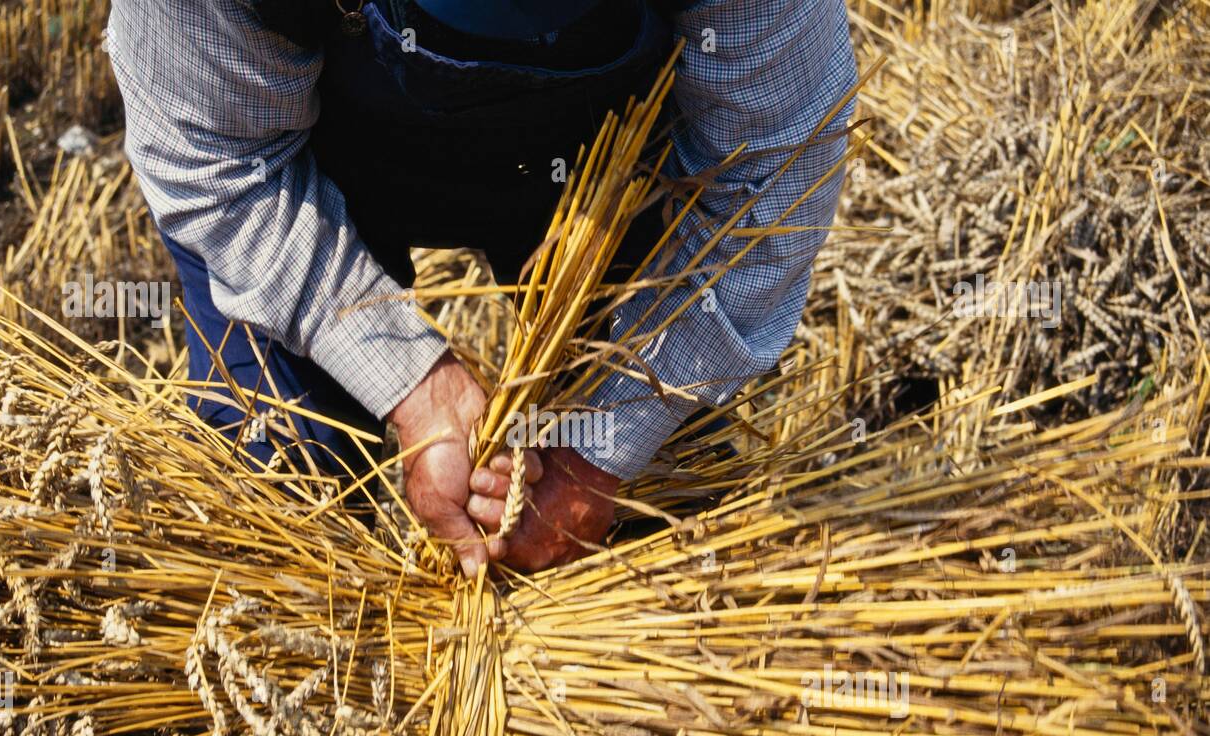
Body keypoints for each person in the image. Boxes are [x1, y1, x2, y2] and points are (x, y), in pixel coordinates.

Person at [105, 0, 857, 575]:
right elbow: (218, 166)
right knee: (271, 508)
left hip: (600, 178)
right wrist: (414, 387)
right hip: (305, 163)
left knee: (659, 528)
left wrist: (604, 448)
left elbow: (775, 169)